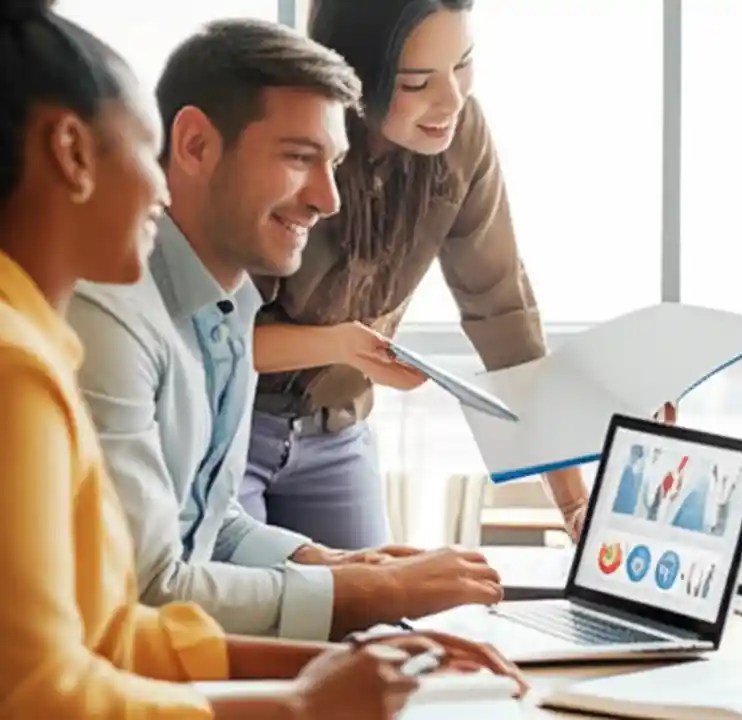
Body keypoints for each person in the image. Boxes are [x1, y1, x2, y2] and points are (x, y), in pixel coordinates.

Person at [0, 2, 524, 716]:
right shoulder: (21, 363)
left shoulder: (208, 314)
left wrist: (346, 627)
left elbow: (118, 626)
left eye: (332, 162)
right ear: (72, 152)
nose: (328, 200)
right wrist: (306, 694)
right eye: (142, 148)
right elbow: (44, 691)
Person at [243, 0, 591, 550]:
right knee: (252, 612)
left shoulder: (462, 138)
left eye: (463, 63)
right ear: (349, 77)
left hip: (338, 430)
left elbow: (504, 316)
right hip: (231, 425)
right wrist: (339, 344)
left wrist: (575, 505)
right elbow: (213, 340)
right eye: (415, 82)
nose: (451, 99)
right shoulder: (288, 138)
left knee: (379, 624)